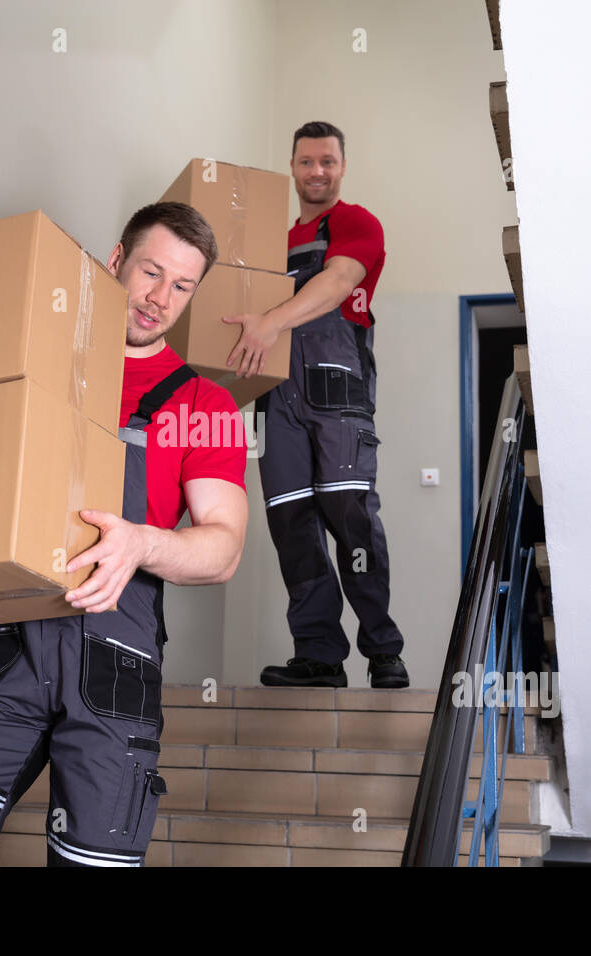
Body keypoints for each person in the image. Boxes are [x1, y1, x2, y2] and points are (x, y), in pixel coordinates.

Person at [0, 202, 249, 865]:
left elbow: (223, 545)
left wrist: (142, 542)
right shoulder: (33, 367)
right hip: (3, 648)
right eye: (150, 271)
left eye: (181, 286)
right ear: (115, 261)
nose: (158, 298)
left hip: (115, 663)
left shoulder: (206, 405)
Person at [223, 121, 408, 689]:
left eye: (327, 161)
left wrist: (270, 322)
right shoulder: (272, 244)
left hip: (335, 395)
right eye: (306, 162)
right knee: (292, 524)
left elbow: (335, 284)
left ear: (342, 166)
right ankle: (320, 655)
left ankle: (382, 649)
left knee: (350, 519)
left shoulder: (356, 223)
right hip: (277, 400)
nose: (317, 172)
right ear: (293, 167)